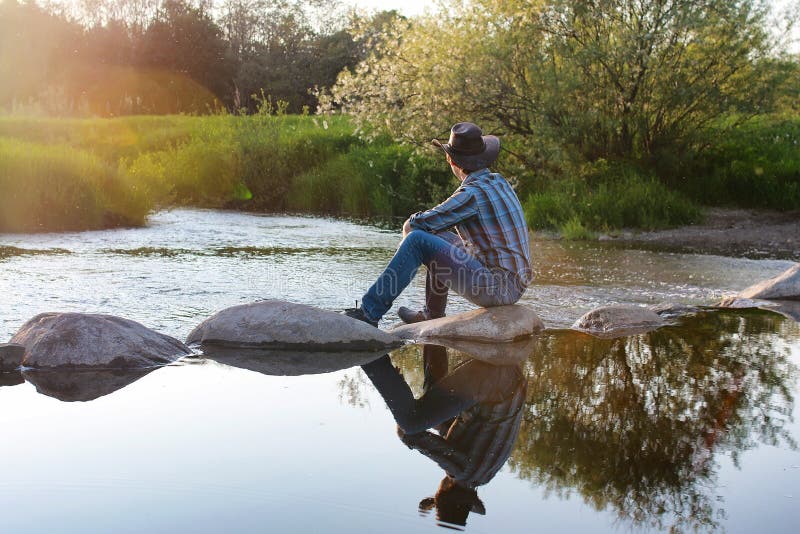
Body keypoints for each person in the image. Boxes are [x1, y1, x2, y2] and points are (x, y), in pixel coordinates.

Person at [343, 122, 532, 327]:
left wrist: (408, 238)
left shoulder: (471, 195)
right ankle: (431, 315)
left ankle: (369, 314)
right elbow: (432, 225)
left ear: (449, 159)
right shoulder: (498, 180)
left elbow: (416, 225)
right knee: (431, 237)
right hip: (513, 282)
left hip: (497, 288)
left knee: (417, 239)